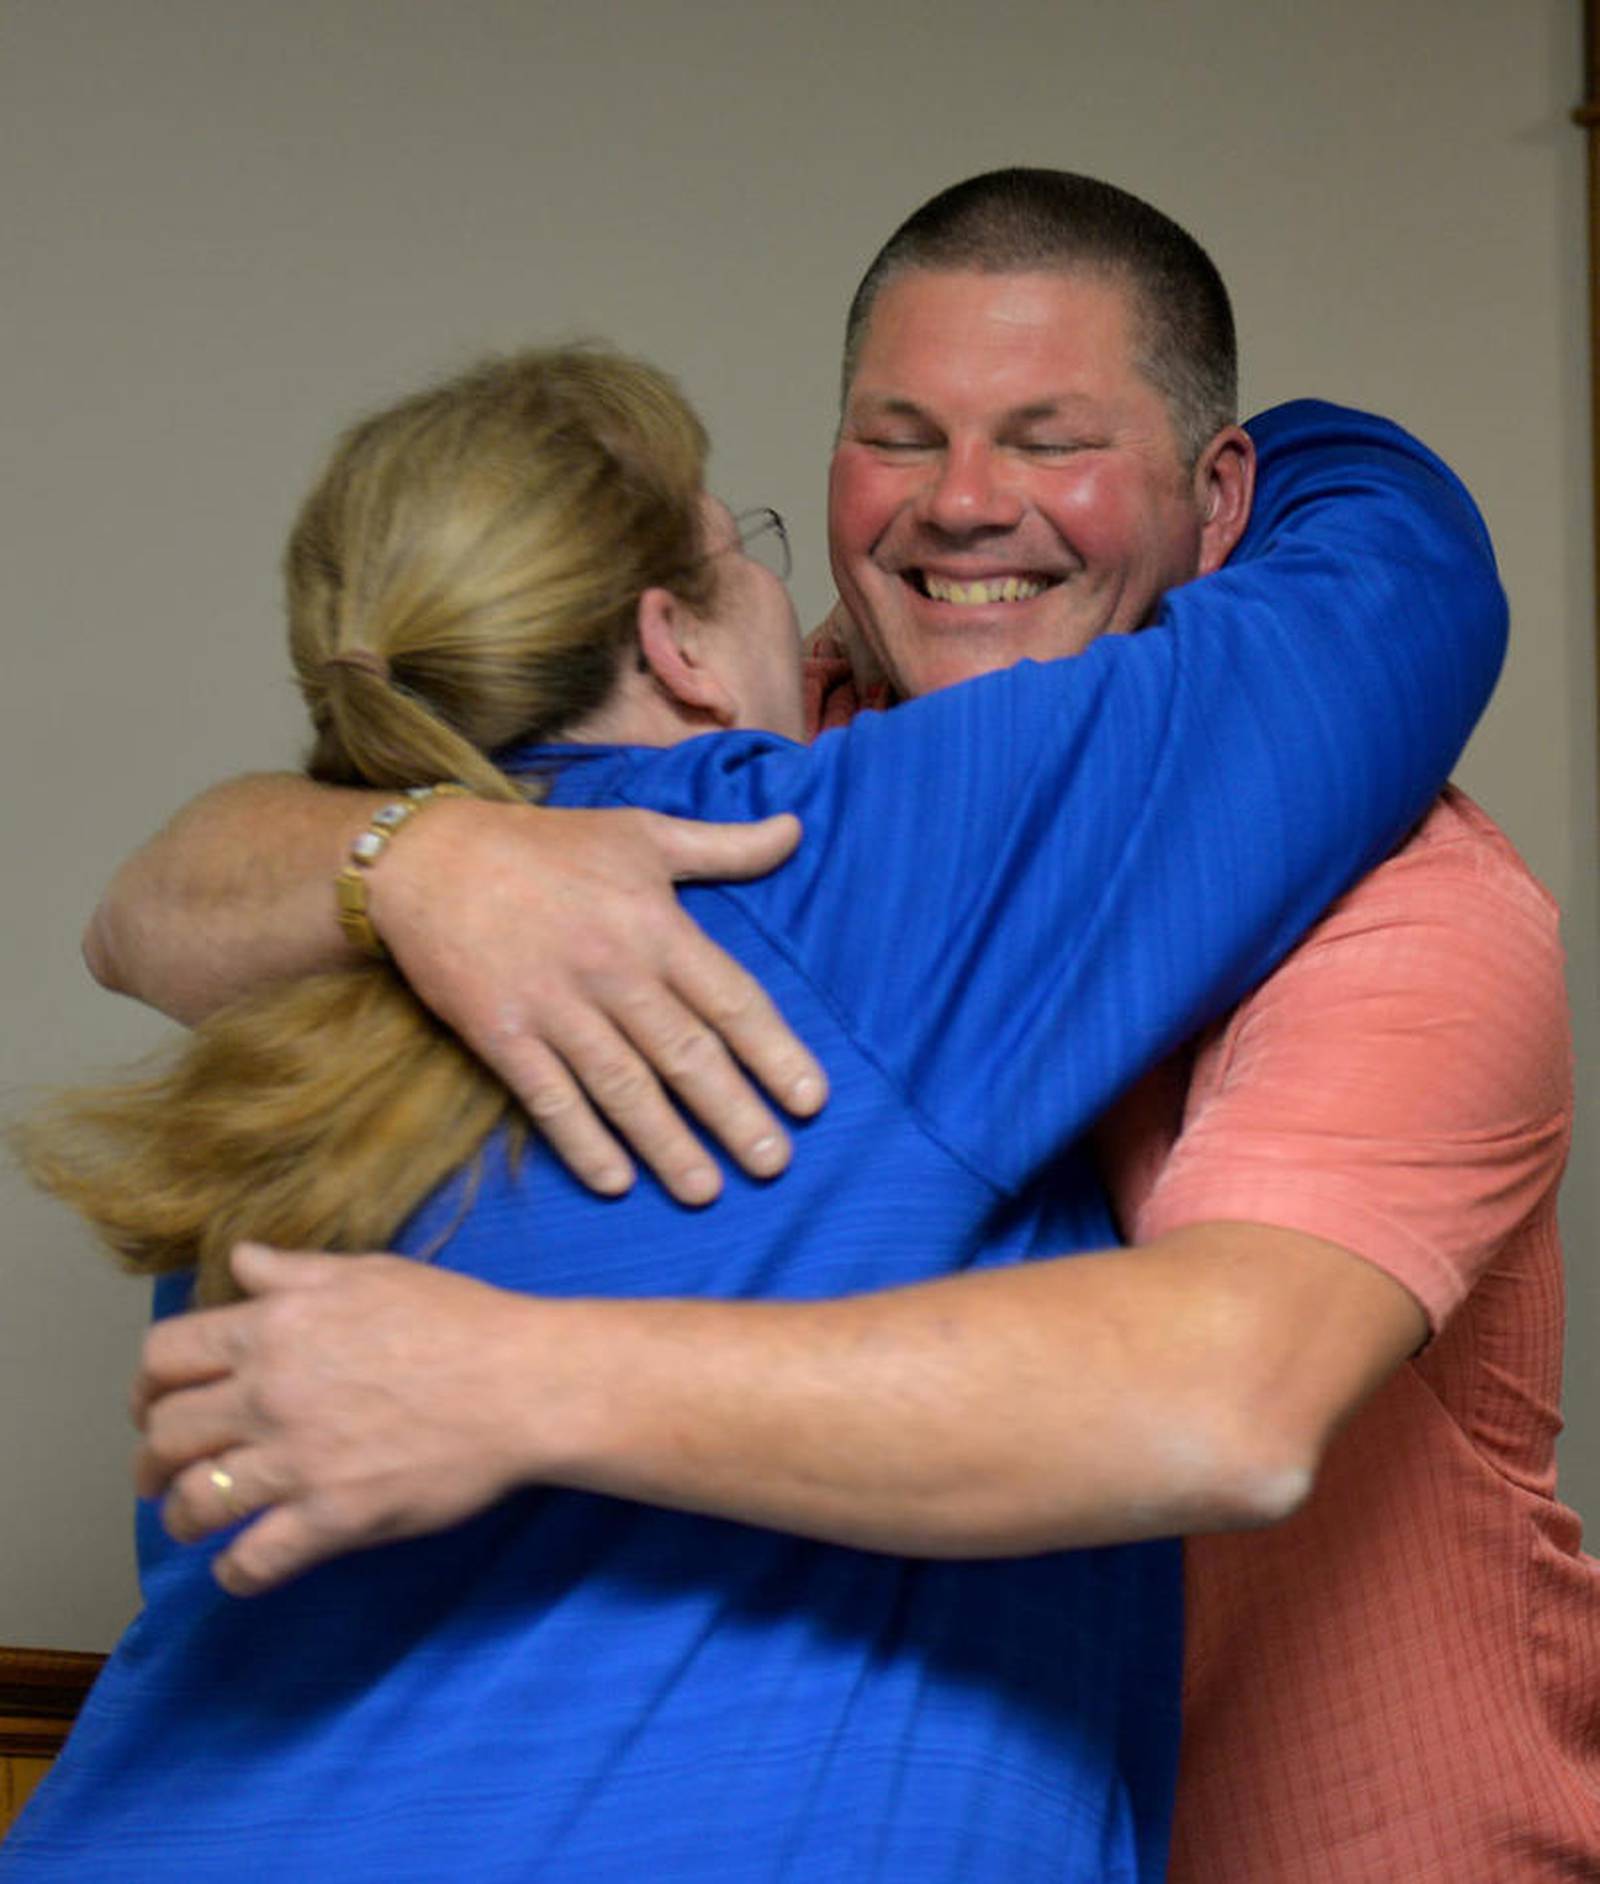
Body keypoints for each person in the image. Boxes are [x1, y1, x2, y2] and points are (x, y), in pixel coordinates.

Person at [89, 171, 1598, 1875]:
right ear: (671, 642)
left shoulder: (1402, 896)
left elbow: (1220, 1394)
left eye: (1049, 439)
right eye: (897, 438)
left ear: (1217, 489)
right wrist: (412, 858)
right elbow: (1398, 579)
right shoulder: (811, 821)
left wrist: (403, 857)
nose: (963, 506)